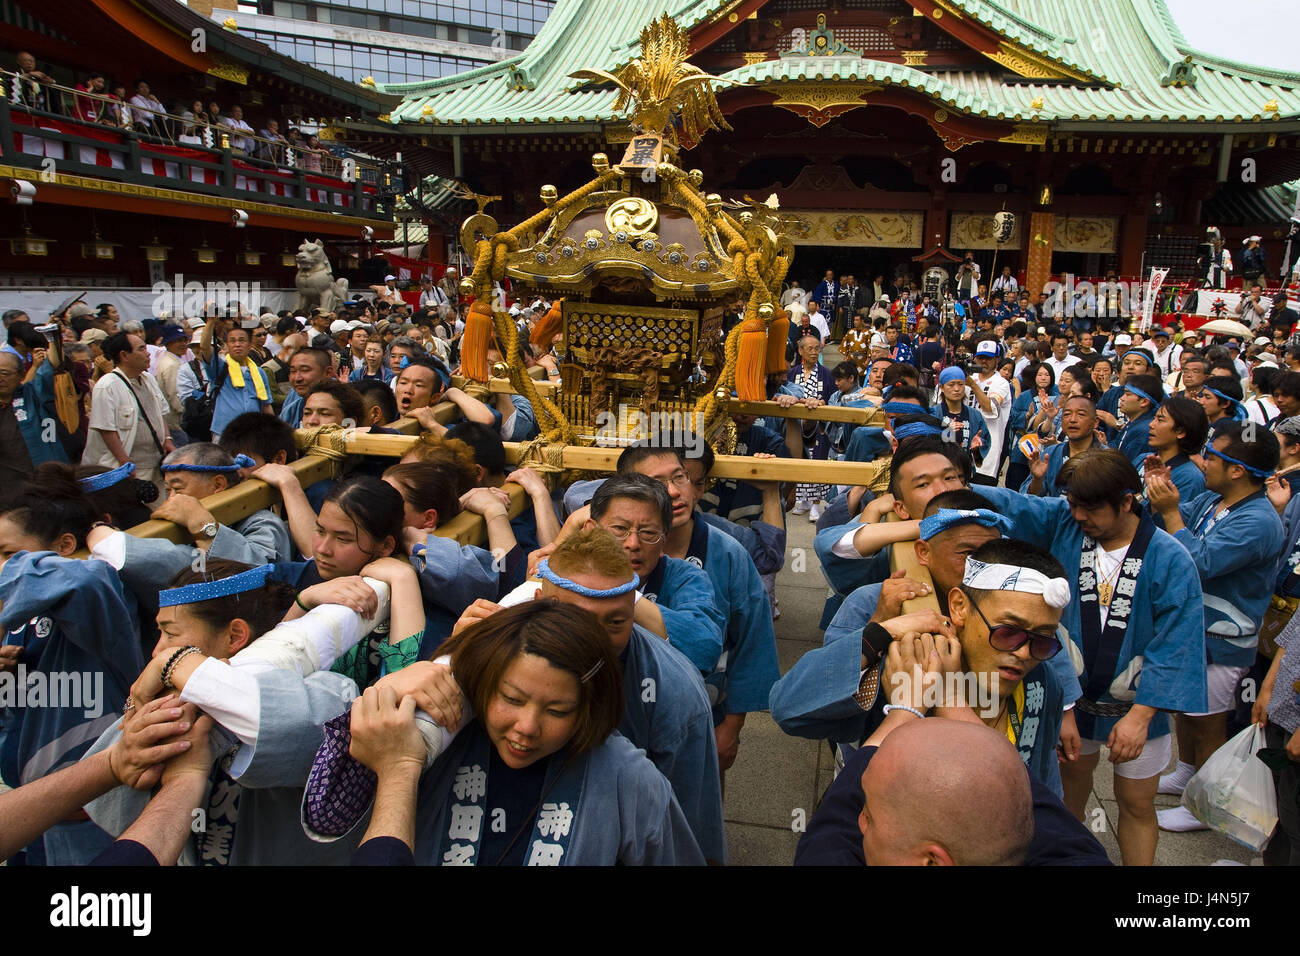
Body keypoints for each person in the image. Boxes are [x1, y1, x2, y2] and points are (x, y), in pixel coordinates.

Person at [975, 450, 1208, 866]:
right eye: (1073, 504)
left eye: (1091, 507)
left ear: (1126, 501)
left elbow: (1178, 642)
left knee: (1137, 805)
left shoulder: (1171, 557)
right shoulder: (1064, 522)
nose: (1080, 515)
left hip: (1136, 706)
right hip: (1071, 702)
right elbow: (1015, 503)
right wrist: (950, 480)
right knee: (1066, 801)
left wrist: (1140, 716)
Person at [341, 601, 705, 865]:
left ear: (589, 708)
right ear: (484, 684)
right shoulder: (434, 738)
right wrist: (390, 688)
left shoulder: (631, 780)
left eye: (558, 710)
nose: (527, 727)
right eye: (512, 698)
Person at [0, 466, 144, 863]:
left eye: (10, 554)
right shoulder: (17, 616)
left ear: (64, 546)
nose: (5, 567)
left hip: (91, 813)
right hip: (34, 808)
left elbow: (87, 580)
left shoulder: (100, 599)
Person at [1145, 424, 1284, 833]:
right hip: (1195, 629)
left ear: (1238, 470)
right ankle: (1187, 771)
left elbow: (1199, 561)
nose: (1203, 463)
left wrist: (1170, 511)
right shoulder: (1214, 499)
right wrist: (1159, 493)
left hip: (1223, 640)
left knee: (1208, 721)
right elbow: (1175, 527)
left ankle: (1201, 806)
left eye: (1213, 457)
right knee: (1187, 712)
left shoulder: (1258, 521)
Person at [82, 331, 173, 488]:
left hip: (155, 461)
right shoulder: (107, 385)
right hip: (128, 468)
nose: (148, 354)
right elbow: (106, 429)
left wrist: (167, 439)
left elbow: (160, 413)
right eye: (141, 349)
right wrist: (124, 461)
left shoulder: (148, 379)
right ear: (124, 355)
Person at [788, 334, 836, 521]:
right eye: (810, 348)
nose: (815, 352)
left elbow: (833, 397)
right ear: (800, 350)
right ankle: (803, 501)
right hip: (797, 426)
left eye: (817, 348)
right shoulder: (793, 373)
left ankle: (816, 502)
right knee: (799, 460)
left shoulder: (826, 373)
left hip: (819, 427)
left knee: (817, 460)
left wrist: (823, 402)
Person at [1023, 394, 1102, 497]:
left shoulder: (1106, 459)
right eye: (1067, 414)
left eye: (1081, 414)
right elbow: (1029, 498)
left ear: (1095, 422)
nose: (1072, 419)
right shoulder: (1050, 454)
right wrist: (1037, 480)